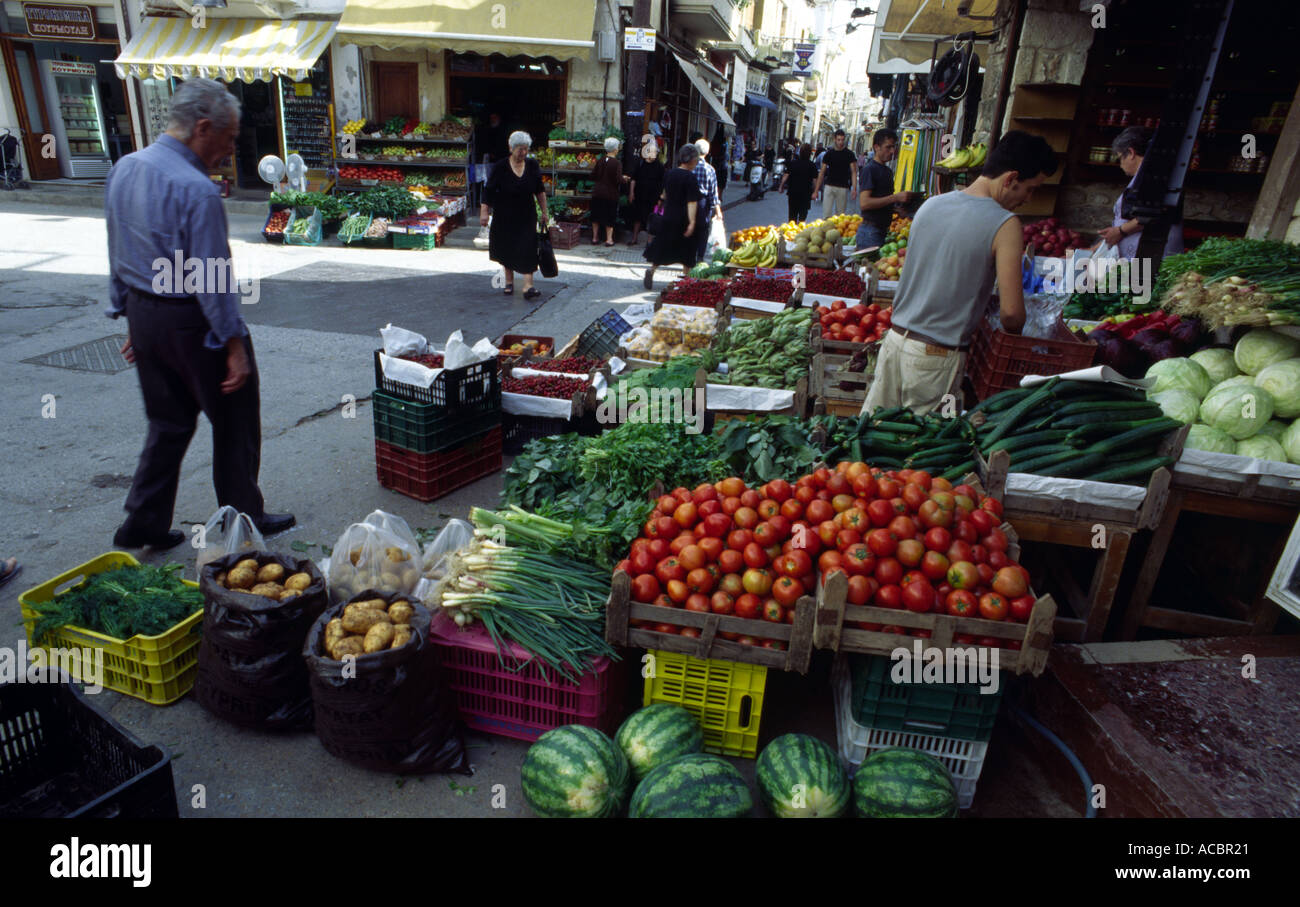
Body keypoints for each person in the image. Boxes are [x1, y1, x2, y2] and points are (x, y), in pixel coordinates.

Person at [105, 78, 293, 550]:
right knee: (235, 422)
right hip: (195, 323)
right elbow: (212, 278)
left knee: (167, 423)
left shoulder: (126, 168)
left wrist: (129, 315)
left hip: (147, 316)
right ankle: (243, 520)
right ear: (203, 127)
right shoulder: (197, 190)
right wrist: (233, 346)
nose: (231, 149)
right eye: (229, 138)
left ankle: (142, 524)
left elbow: (118, 248)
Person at [861, 130, 1058, 415]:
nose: (1028, 198)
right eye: (1030, 188)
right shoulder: (1005, 224)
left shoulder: (931, 205)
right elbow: (1012, 314)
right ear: (1011, 179)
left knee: (873, 439)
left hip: (894, 344)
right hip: (935, 360)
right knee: (917, 453)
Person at [481, 130, 549, 300]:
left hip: (526, 214)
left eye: (526, 149)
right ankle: (509, 281)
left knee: (528, 247)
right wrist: (484, 212)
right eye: (520, 149)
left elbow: (540, 191)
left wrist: (544, 212)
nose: (523, 153)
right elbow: (488, 191)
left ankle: (528, 286)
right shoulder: (500, 166)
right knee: (506, 246)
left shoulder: (532, 165)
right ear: (511, 148)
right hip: (504, 214)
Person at [1098, 126, 1184, 258]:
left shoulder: (1154, 176)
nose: (1120, 165)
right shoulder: (1145, 177)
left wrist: (1120, 231)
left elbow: (1153, 212)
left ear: (1131, 153)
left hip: (1154, 258)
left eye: (1120, 158)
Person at [643, 143, 703, 289]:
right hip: (683, 219)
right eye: (696, 159)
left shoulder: (669, 173)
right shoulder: (690, 178)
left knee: (663, 246)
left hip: (668, 217)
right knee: (686, 252)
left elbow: (664, 194)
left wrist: (661, 205)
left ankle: (651, 270)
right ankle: (685, 281)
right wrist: (692, 222)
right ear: (691, 160)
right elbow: (692, 203)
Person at [856, 128, 919, 249]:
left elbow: (881, 201)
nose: (892, 151)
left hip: (881, 230)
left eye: (893, 147)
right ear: (876, 147)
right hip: (870, 233)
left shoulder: (887, 171)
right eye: (888, 147)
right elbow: (864, 203)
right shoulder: (870, 169)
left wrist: (896, 210)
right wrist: (895, 197)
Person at [814, 128, 859, 219]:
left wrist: (854, 188)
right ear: (835, 139)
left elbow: (854, 172)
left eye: (842, 140)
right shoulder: (829, 154)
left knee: (840, 217)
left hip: (843, 187)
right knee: (826, 215)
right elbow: (822, 173)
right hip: (829, 186)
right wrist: (816, 190)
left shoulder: (849, 154)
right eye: (838, 140)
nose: (840, 142)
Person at [627, 138, 664, 246]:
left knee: (652, 219)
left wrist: (661, 198)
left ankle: (649, 241)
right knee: (637, 217)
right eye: (652, 152)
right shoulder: (640, 164)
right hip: (640, 195)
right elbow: (633, 179)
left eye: (656, 152)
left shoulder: (659, 166)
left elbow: (663, 183)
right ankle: (634, 238)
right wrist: (631, 193)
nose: (654, 154)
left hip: (653, 196)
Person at [692, 138, 723, 263]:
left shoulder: (689, 166)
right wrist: (718, 210)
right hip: (703, 203)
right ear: (707, 152)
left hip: (689, 202)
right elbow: (713, 192)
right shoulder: (710, 169)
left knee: (690, 227)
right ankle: (700, 256)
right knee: (703, 229)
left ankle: (689, 256)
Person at [589, 136, 624, 247]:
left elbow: (593, 175)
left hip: (597, 192)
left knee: (595, 215)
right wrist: (625, 179)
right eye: (617, 147)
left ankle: (595, 238)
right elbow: (618, 179)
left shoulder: (600, 160)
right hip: (610, 194)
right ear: (615, 149)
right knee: (610, 216)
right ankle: (609, 240)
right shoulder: (617, 163)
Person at [780, 144, 817, 224]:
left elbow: (785, 176)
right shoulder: (812, 165)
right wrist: (815, 191)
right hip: (805, 194)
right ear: (810, 154)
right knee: (802, 217)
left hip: (793, 193)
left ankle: (790, 232)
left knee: (792, 216)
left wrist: (781, 186)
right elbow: (814, 181)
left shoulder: (793, 163)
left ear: (800, 152)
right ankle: (800, 232)